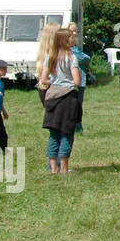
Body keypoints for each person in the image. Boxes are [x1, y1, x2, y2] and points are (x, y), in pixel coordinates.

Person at [38, 28, 82, 174]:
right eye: (71, 37)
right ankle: (64, 168)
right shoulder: (71, 57)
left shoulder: (50, 56)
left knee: (54, 134)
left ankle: (53, 169)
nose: (74, 38)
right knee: (66, 134)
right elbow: (76, 80)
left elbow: (43, 79)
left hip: (52, 98)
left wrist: (55, 82)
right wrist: (66, 82)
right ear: (65, 40)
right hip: (68, 99)